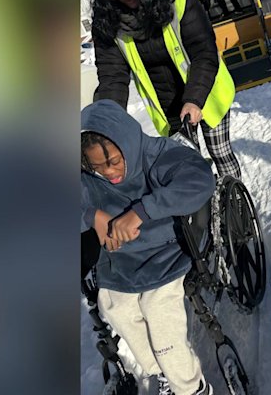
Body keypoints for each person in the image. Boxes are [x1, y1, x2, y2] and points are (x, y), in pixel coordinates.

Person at [81, 100, 215, 395]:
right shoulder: (87, 176)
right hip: (121, 262)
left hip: (167, 251)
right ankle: (163, 371)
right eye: (97, 166)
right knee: (114, 307)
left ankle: (192, 387)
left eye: (114, 161)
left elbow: (199, 179)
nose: (108, 172)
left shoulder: (155, 154)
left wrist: (143, 211)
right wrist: (91, 215)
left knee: (157, 309)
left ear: (126, 144)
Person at [84, 0, 242, 181]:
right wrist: (106, 126)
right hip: (166, 105)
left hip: (206, 90)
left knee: (220, 154)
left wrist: (194, 99)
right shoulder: (108, 21)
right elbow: (112, 78)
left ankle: (239, 210)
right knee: (189, 168)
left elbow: (204, 52)